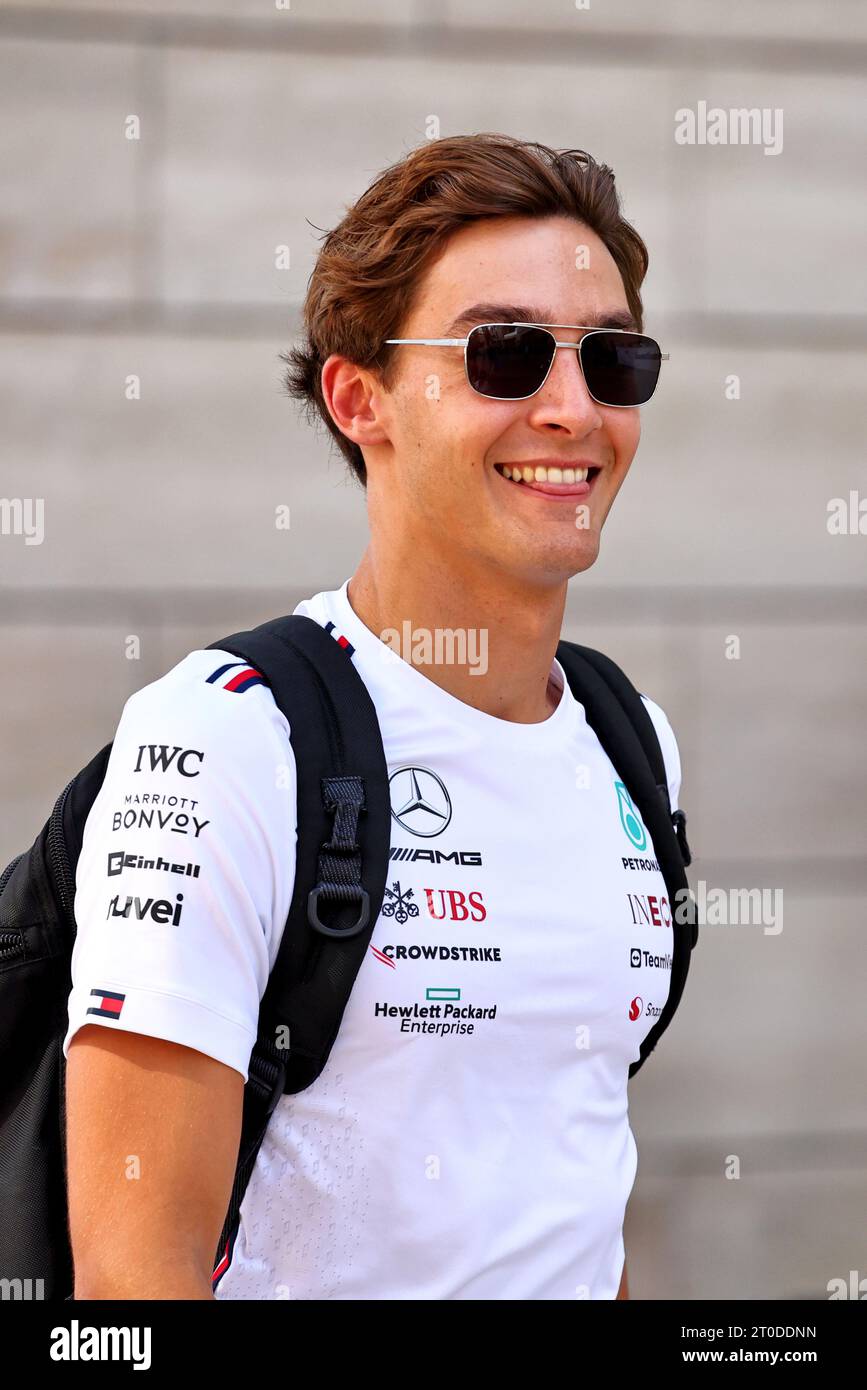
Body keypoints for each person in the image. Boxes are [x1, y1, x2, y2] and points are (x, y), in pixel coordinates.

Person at [64, 133, 680, 1301]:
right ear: (361, 398)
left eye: (613, 360)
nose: (571, 409)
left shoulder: (631, 742)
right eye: (504, 355)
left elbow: (571, 1186)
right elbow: (133, 1288)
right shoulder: (224, 742)